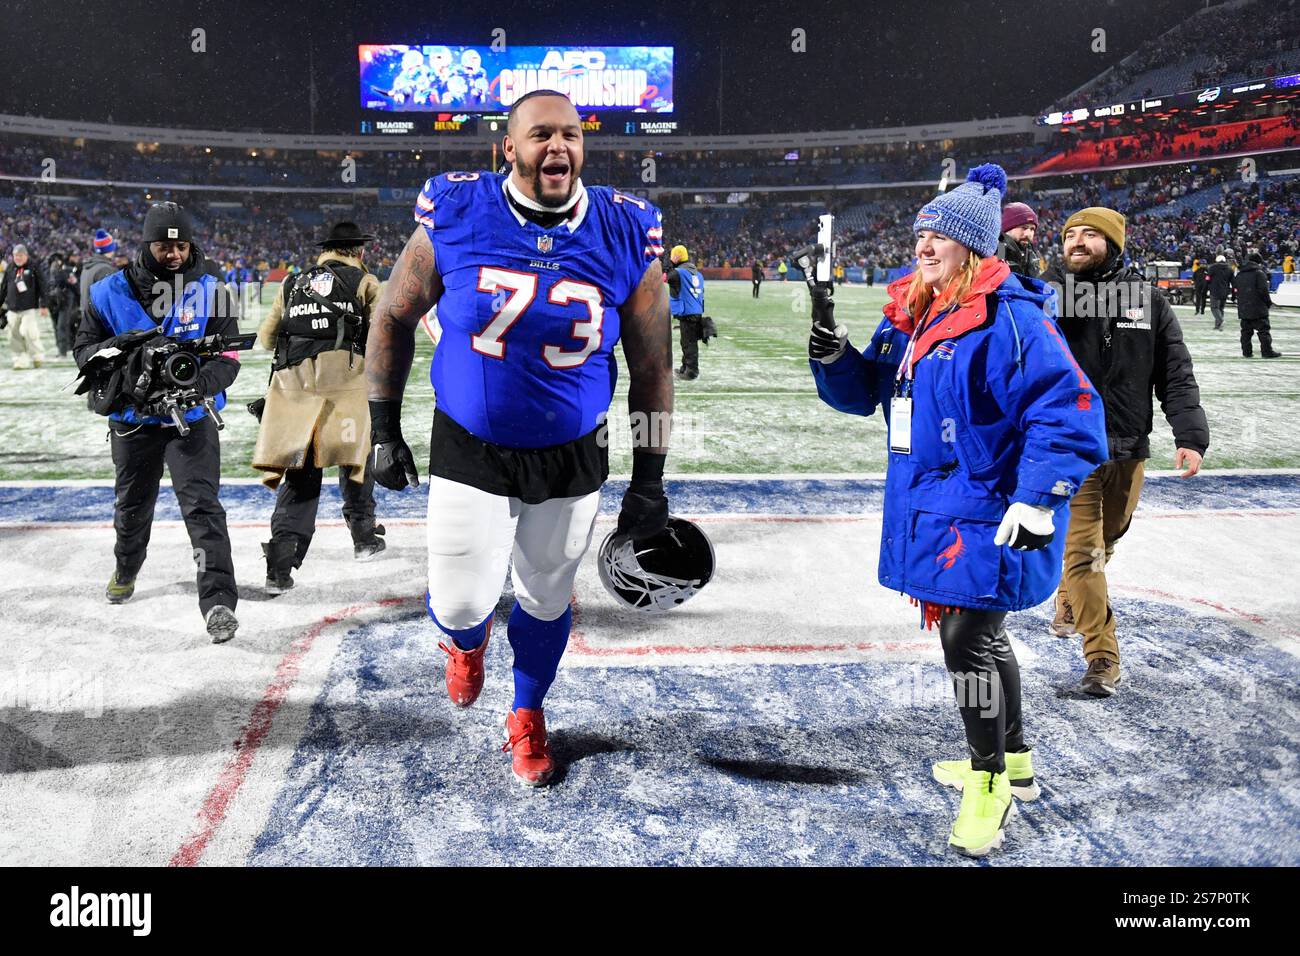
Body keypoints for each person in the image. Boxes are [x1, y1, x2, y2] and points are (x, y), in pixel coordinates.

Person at [365, 89, 674, 787]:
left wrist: (650, 479)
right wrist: (383, 427)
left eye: (570, 133)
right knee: (464, 602)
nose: (557, 146)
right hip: (472, 445)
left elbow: (652, 366)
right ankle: (466, 644)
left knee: (544, 597)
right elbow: (393, 315)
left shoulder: (626, 230)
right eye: (540, 134)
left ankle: (528, 711)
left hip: (573, 455)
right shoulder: (458, 208)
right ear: (509, 147)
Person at [808, 165, 1108, 856]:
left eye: (937, 235)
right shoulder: (919, 315)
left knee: (967, 644)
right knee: (984, 641)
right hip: (942, 508)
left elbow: (1067, 411)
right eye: (919, 232)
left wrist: (1038, 498)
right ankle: (1020, 762)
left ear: (973, 248)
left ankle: (989, 781)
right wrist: (834, 356)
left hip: (987, 509)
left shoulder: (1010, 317)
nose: (922, 244)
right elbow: (866, 397)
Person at [1041, 207, 1209, 695]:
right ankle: (1102, 659)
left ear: (1113, 244)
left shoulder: (1149, 302)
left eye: (1089, 235)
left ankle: (1069, 596)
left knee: (1110, 535)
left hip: (1128, 446)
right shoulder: (1051, 297)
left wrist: (1190, 437)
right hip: (1070, 450)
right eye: (1070, 234)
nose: (1076, 241)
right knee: (1085, 555)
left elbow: (1175, 374)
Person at [72, 203, 243, 643]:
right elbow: (84, 352)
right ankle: (126, 567)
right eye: (164, 245)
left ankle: (218, 599)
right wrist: (130, 355)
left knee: (203, 509)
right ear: (146, 245)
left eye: (181, 245)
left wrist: (198, 385)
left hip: (191, 416)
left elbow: (229, 357)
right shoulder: (108, 291)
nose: (174, 254)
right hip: (132, 420)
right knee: (132, 508)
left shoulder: (212, 287)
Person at [253, 221, 388, 593]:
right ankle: (364, 538)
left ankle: (280, 567)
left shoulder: (292, 283)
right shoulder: (365, 283)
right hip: (345, 385)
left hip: (297, 389)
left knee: (301, 474)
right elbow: (380, 340)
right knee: (355, 460)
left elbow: (267, 339)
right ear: (359, 251)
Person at [0, 244, 49, 370]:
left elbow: (43, 286)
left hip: (28, 308)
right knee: (12, 334)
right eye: (16, 256)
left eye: (20, 255)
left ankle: (37, 356)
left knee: (29, 331)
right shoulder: (10, 268)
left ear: (26, 255)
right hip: (12, 308)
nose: (18, 258)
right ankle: (20, 358)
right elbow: (4, 287)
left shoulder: (33, 267)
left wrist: (44, 305)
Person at [665, 244, 706, 381]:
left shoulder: (679, 273)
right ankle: (685, 367)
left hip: (687, 312)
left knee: (688, 343)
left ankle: (691, 371)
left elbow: (665, 278)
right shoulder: (697, 273)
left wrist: (669, 264)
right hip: (695, 311)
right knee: (687, 342)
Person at [1233, 252, 1281, 358]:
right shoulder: (1259, 273)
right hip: (1258, 308)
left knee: (1245, 332)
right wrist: (1268, 303)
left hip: (1244, 307)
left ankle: (1247, 352)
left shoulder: (1240, 274)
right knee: (1263, 331)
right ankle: (1267, 351)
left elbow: (1236, 290)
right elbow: (1263, 291)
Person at [998, 202, 1039, 278]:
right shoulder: (1000, 250)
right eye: (1024, 228)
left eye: (1032, 229)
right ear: (1008, 229)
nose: (1028, 234)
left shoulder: (1031, 252)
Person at [1206, 254, 1235, 331]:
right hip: (1225, 291)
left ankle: (1220, 321)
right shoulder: (1230, 269)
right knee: (1221, 308)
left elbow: (1207, 279)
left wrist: (1207, 287)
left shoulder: (1212, 268)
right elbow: (1233, 281)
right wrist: (1233, 292)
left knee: (1214, 308)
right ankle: (1218, 326)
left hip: (1215, 290)